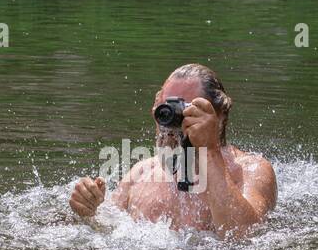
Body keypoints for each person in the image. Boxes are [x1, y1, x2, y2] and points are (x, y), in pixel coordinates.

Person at [69, 64, 277, 236]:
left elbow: (242, 236)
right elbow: (106, 231)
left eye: (186, 108)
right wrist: (88, 211)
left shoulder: (252, 170)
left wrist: (210, 150)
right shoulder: (141, 173)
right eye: (167, 107)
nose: (173, 120)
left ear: (219, 117)